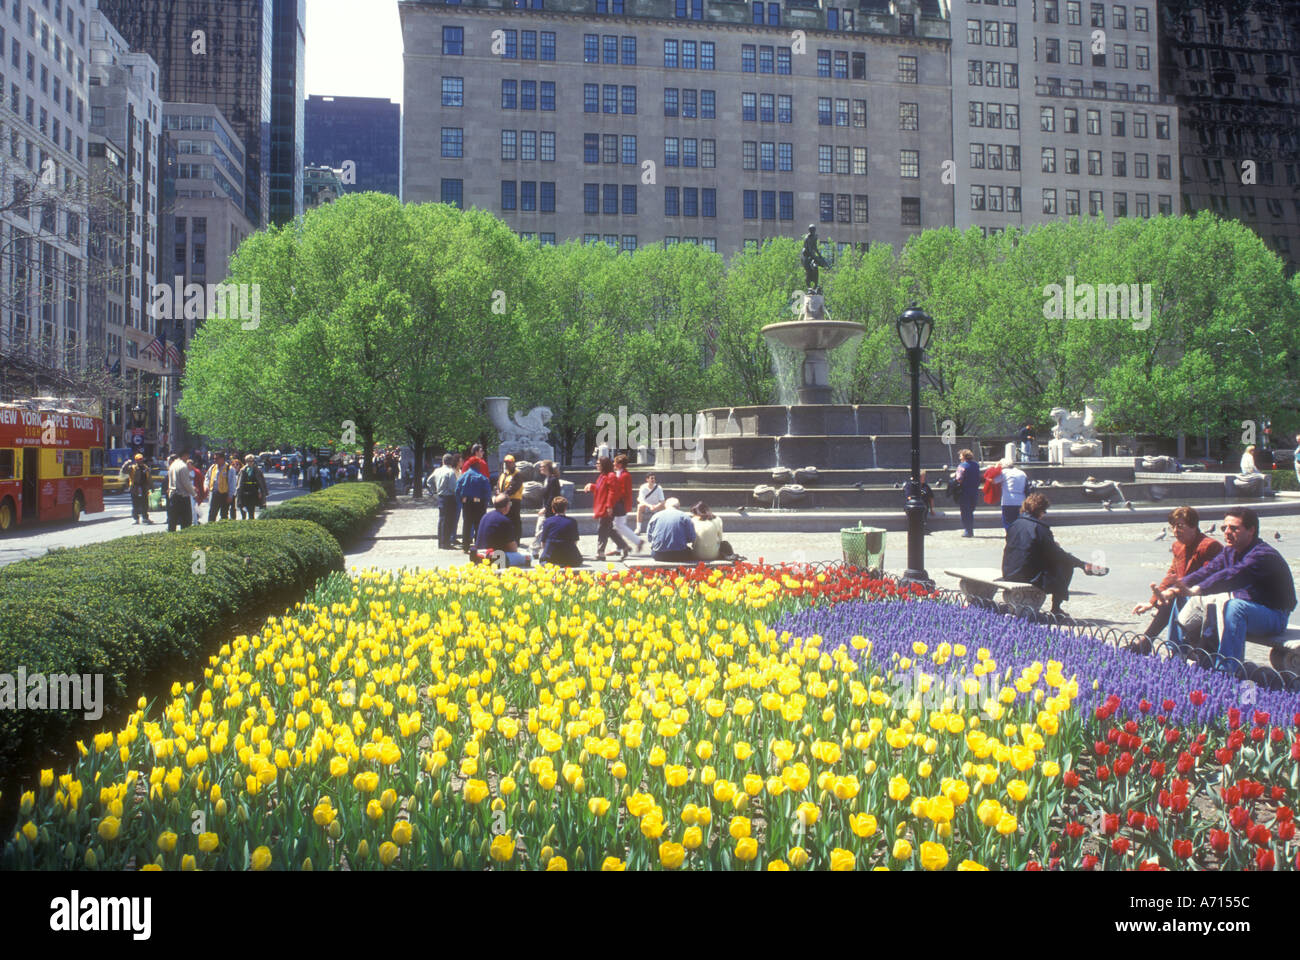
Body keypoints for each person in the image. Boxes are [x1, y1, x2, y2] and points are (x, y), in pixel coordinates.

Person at [1161, 507, 1296, 670]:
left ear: (1251, 530)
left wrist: (1198, 589)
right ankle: (1175, 657)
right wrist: (1176, 588)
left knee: (1234, 607)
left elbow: (1232, 576)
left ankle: (1227, 670)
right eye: (1225, 528)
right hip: (1248, 607)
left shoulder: (1263, 555)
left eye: (1234, 528)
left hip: (1273, 615)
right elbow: (1207, 571)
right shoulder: (1230, 551)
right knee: (1185, 597)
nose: (1227, 532)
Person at [1130, 507, 1223, 649]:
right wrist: (1152, 602)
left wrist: (1174, 591)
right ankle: (1151, 643)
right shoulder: (1178, 546)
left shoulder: (1209, 546)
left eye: (1180, 526)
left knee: (1176, 597)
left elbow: (1208, 578)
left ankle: (1151, 643)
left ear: (1193, 526)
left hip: (1206, 596)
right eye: (1172, 527)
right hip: (1184, 594)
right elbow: (1171, 575)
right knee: (1172, 597)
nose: (1175, 531)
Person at [1001, 492, 1106, 616]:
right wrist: (1080, 563)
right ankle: (1056, 608)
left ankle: (1084, 566)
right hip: (1026, 576)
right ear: (1040, 511)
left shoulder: (1015, 524)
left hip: (1009, 571)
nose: (1044, 515)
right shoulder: (1039, 528)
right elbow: (1056, 555)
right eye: (1044, 511)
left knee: (1061, 559)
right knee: (1065, 565)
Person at [584, 456, 633, 561]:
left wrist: (609, 506)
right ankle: (624, 546)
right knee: (609, 529)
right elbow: (600, 489)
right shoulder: (603, 476)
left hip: (607, 508)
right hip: (604, 507)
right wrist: (591, 486)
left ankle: (600, 553)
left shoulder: (611, 476)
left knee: (602, 528)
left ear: (604, 465)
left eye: (598, 463)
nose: (596, 465)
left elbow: (613, 492)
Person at [475, 493, 531, 567]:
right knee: (529, 556)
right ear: (507, 506)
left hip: (479, 554)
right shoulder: (504, 521)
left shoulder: (485, 516)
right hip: (495, 558)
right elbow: (513, 548)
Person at [456, 457, 493, 554]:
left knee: (467, 524)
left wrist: (461, 500)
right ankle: (478, 546)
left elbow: (457, 490)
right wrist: (485, 502)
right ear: (477, 465)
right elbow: (487, 492)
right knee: (479, 525)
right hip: (479, 503)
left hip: (467, 503)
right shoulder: (482, 477)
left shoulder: (463, 476)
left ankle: (465, 546)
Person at [612, 454, 646, 553]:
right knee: (617, 525)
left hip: (621, 504)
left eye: (615, 462)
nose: (613, 463)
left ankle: (638, 541)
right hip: (619, 503)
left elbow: (623, 492)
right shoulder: (619, 473)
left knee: (619, 525)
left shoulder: (625, 475)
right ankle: (617, 548)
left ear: (620, 464)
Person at [647, 497, 697, 563]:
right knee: (690, 552)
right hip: (679, 555)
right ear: (678, 506)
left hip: (658, 555)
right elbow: (692, 538)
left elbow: (649, 538)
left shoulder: (655, 516)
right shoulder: (685, 516)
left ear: (665, 506)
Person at [538, 496, 583, 567]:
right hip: (569, 559)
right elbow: (575, 541)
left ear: (553, 509)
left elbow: (543, 543)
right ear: (565, 509)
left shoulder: (547, 521)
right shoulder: (572, 522)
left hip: (551, 558)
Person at [531, 460, 563, 558]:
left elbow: (552, 496)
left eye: (542, 467)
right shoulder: (547, 479)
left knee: (540, 529)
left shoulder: (553, 480)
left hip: (550, 510)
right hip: (548, 509)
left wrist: (545, 508)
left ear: (548, 467)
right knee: (542, 529)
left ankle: (534, 550)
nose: (540, 468)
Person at [430, 453, 460, 550]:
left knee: (441, 520)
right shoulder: (450, 472)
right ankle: (446, 543)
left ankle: (441, 542)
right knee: (449, 521)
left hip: (440, 496)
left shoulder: (437, 470)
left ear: (443, 461)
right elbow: (453, 488)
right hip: (449, 498)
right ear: (451, 462)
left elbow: (429, 481)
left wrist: (434, 491)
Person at [497, 454, 525, 544]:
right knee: (505, 520)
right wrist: (497, 493)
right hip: (504, 500)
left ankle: (517, 540)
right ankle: (506, 539)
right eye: (506, 463)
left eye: (509, 463)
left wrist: (502, 496)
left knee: (515, 520)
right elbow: (498, 486)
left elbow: (514, 487)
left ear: (513, 463)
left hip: (514, 501)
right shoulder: (503, 474)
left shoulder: (517, 474)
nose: (507, 465)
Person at [953, 449, 981, 538]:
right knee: (971, 511)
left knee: (965, 512)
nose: (959, 457)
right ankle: (970, 530)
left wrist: (953, 476)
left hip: (964, 491)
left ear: (964, 456)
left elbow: (959, 478)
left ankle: (967, 530)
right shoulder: (976, 465)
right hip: (974, 491)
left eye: (960, 455)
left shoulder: (962, 465)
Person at [166, 453, 195, 531]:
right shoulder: (183, 466)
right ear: (185, 455)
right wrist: (194, 494)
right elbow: (186, 483)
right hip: (182, 497)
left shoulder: (172, 465)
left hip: (173, 495)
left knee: (172, 522)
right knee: (186, 522)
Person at [998, 457, 1028, 531]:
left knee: (1008, 522)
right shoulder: (1022, 472)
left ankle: (1011, 538)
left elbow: (993, 481)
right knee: (1019, 522)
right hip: (1021, 500)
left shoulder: (1003, 472)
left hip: (1008, 500)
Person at [206, 452, 237, 522]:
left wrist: (230, 496)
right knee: (212, 514)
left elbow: (232, 483)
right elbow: (207, 477)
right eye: (214, 459)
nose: (214, 460)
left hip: (224, 494)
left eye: (216, 459)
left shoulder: (230, 469)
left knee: (224, 514)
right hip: (215, 494)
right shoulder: (212, 467)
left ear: (222, 459)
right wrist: (206, 486)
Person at [234, 455, 266, 519]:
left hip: (253, 491)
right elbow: (239, 483)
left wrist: (260, 491)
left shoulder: (257, 470)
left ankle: (251, 522)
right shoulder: (242, 470)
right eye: (248, 461)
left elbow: (261, 482)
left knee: (251, 511)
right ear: (246, 461)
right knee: (242, 509)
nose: (250, 462)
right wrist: (238, 492)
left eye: (251, 461)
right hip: (244, 492)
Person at [126, 453, 153, 524]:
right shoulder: (132, 467)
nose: (140, 460)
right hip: (135, 488)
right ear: (136, 460)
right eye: (139, 459)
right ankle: (136, 519)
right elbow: (123, 471)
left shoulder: (145, 467)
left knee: (145, 503)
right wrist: (127, 463)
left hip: (144, 488)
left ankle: (145, 518)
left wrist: (152, 487)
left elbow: (149, 478)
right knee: (135, 504)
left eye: (141, 459)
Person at [188, 457, 205, 525]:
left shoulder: (197, 472)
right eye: (187, 465)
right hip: (187, 492)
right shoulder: (184, 472)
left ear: (192, 465)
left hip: (194, 493)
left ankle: (195, 522)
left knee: (194, 508)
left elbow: (201, 482)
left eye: (189, 464)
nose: (188, 466)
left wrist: (201, 493)